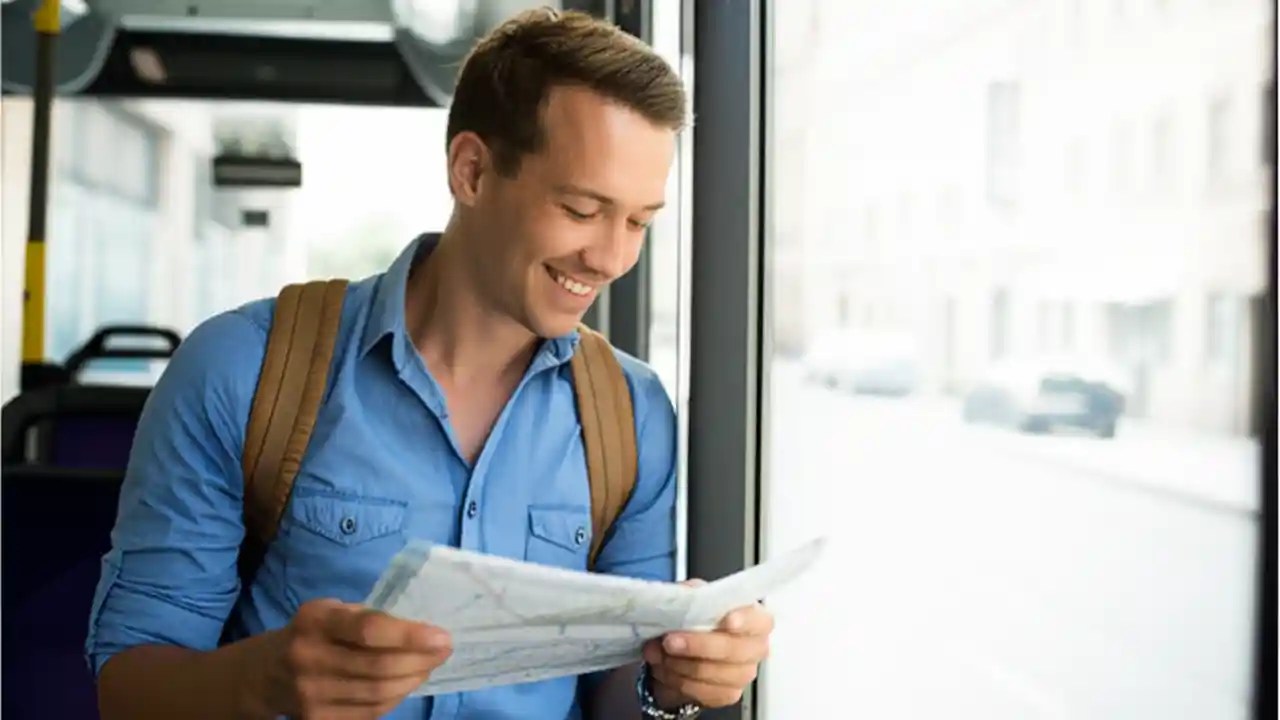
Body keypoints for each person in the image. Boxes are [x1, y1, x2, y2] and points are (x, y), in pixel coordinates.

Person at [88, 8, 773, 719]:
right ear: (472, 170)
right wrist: (259, 683)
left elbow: (613, 696)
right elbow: (128, 687)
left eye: (637, 222)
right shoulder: (242, 368)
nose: (610, 258)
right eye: (579, 208)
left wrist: (673, 681)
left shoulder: (631, 415)